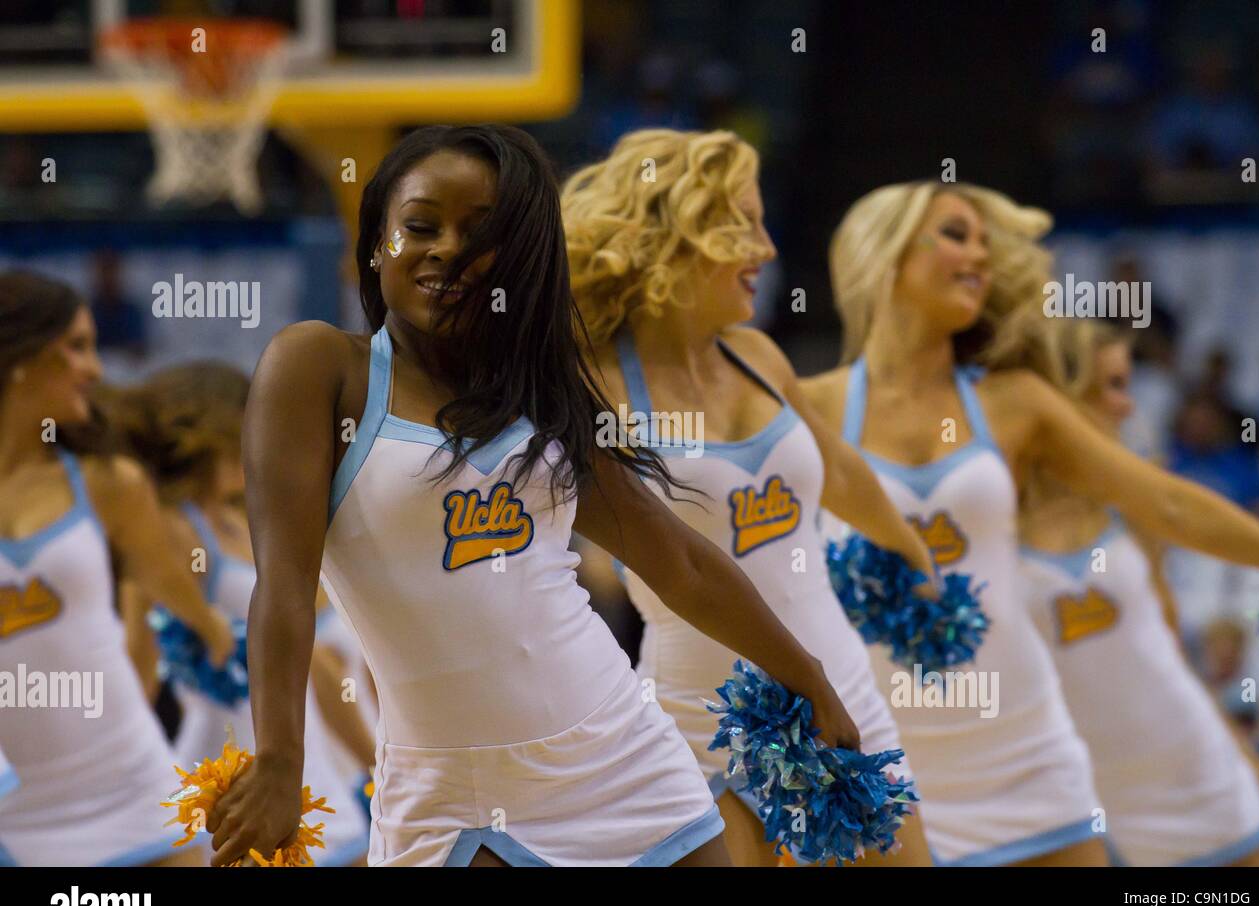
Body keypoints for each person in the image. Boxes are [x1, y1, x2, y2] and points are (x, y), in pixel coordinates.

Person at [205, 124, 861, 868]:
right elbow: (284, 587)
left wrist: (809, 678)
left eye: (480, 235)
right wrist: (281, 762)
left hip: (624, 762)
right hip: (452, 797)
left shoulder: (541, 396)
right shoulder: (319, 368)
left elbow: (680, 561)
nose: (447, 248)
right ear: (376, 243)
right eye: (420, 226)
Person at [801, 181, 1259, 866]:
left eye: (983, 240)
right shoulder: (812, 409)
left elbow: (1167, 501)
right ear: (882, 253)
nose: (978, 253)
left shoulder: (1014, 405)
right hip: (886, 757)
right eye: (954, 235)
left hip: (1026, 748)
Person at [563, 128, 937, 866]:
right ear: (673, 234)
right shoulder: (594, 386)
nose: (766, 249)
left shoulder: (760, 355)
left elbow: (841, 471)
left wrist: (908, 543)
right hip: (700, 722)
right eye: (742, 223)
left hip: (841, 693)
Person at [1018, 317, 1259, 866]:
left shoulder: (1132, 496)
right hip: (1080, 787)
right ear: (1060, 394)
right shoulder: (994, 510)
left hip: (1190, 762)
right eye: (1111, 386)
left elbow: (1165, 651)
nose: (1128, 406)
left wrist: (1234, 745)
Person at [0, 270, 233, 866]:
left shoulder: (108, 483)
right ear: (21, 358)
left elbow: (169, 586)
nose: (96, 370)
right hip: (16, 819)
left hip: (133, 785)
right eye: (76, 347)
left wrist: (216, 639)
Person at [110, 362, 371, 866]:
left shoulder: (239, 521)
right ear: (213, 430)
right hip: (228, 757)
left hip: (299, 746)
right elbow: (139, 658)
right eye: (244, 429)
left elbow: (310, 659)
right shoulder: (165, 524)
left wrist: (371, 759)